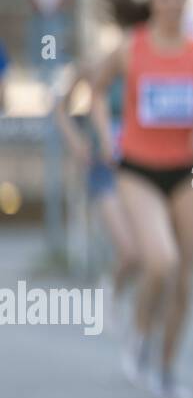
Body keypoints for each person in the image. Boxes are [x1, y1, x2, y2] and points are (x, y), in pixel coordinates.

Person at [90, 0, 193, 398]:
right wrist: (107, 133)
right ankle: (140, 332)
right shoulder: (131, 48)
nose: (173, 3)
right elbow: (95, 89)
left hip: (189, 171)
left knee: (184, 277)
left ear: (188, 1)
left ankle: (166, 369)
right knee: (159, 261)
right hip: (139, 169)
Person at [54, 61, 136, 328]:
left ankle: (143, 318)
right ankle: (109, 293)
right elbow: (60, 108)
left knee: (151, 251)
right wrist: (76, 142)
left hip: (139, 169)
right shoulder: (96, 63)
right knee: (129, 250)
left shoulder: (144, 57)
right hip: (104, 169)